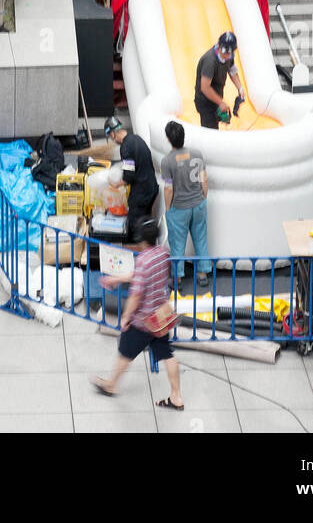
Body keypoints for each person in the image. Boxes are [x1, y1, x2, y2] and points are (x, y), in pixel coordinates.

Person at [92, 217, 184, 410]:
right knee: (167, 354)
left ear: (141, 239)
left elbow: (136, 294)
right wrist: (117, 279)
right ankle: (176, 396)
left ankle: (111, 385)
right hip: (161, 317)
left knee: (125, 352)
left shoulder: (143, 260)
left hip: (143, 321)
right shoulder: (163, 254)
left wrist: (126, 317)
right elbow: (145, 275)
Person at [161, 120, 212, 289]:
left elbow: (169, 189)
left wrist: (168, 209)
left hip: (179, 208)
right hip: (198, 204)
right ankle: (203, 274)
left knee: (177, 244)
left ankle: (177, 279)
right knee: (201, 239)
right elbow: (204, 180)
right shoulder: (197, 154)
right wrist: (202, 198)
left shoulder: (167, 161)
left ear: (168, 139)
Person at [104, 116, 158, 230]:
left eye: (110, 137)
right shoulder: (136, 138)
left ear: (113, 134)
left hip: (142, 192)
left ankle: (137, 246)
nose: (112, 139)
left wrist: (116, 184)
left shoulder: (125, 147)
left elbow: (129, 175)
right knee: (145, 224)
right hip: (151, 187)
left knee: (136, 227)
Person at [194, 31, 246, 130]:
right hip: (205, 101)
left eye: (229, 54)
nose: (227, 56)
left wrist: (240, 88)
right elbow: (205, 87)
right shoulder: (210, 61)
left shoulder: (229, 56)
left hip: (217, 96)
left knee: (219, 119)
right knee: (210, 130)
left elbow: (232, 70)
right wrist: (220, 102)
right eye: (225, 53)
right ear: (219, 47)